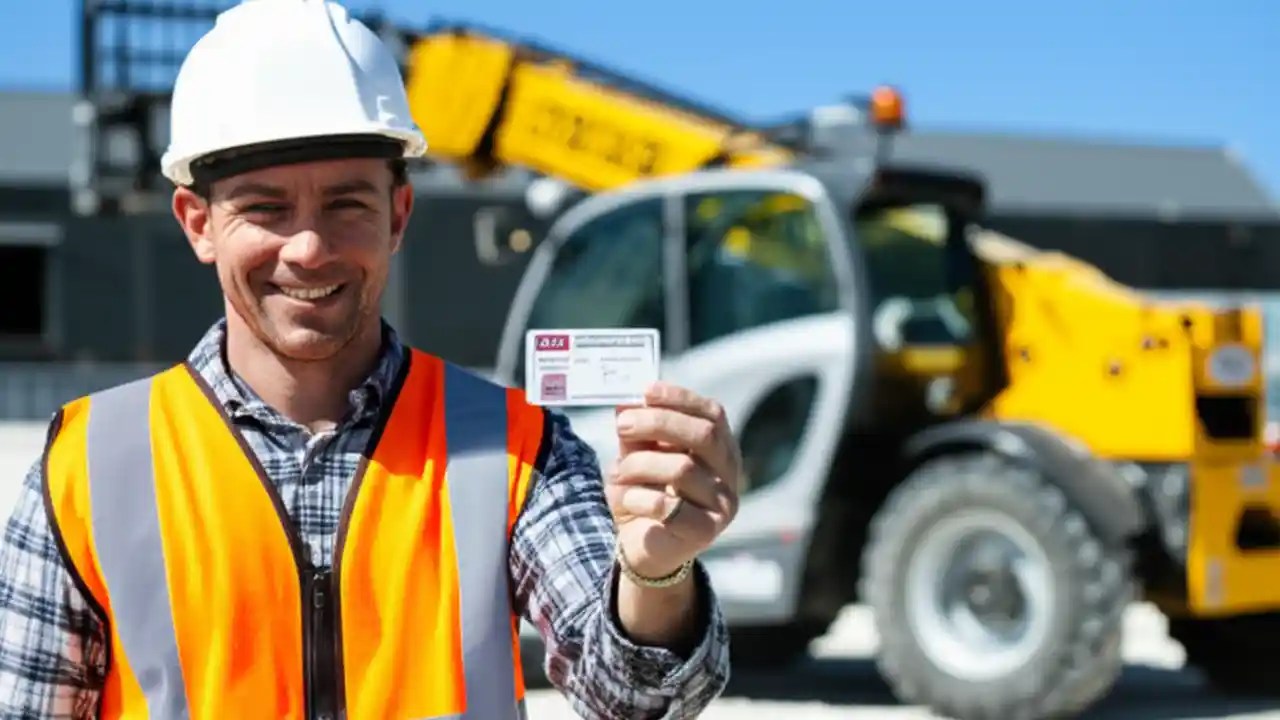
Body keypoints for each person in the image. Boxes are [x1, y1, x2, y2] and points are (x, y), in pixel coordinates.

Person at [0, 1, 741, 717]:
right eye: (264, 208)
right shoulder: (89, 465)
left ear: (398, 215)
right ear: (199, 223)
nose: (309, 248)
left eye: (346, 204)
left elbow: (638, 700)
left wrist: (654, 572)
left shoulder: (516, 451)